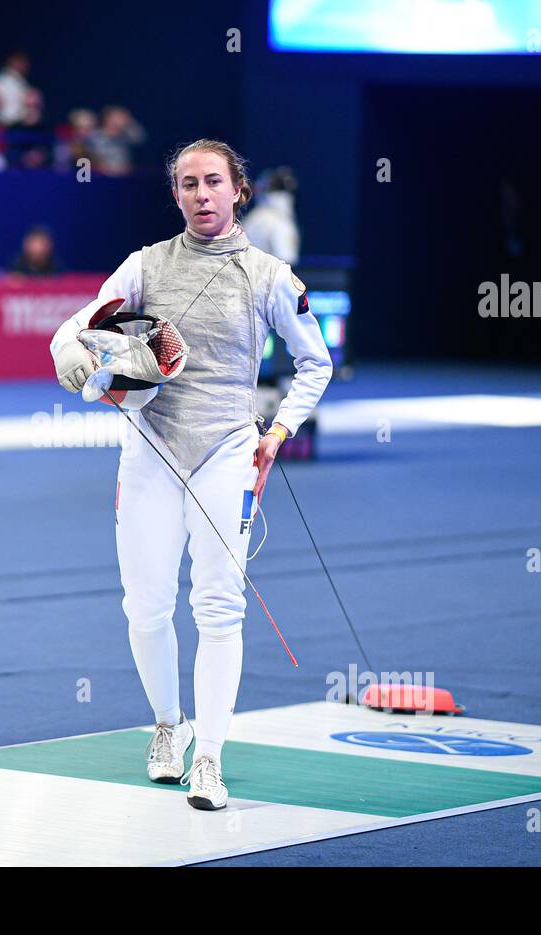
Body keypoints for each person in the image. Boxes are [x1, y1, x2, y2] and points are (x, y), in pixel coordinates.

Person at [49, 139, 332, 810]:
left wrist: (280, 431)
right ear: (174, 194)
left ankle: (209, 756)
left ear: (239, 190)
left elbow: (313, 362)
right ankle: (167, 728)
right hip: (150, 449)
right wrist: (79, 361)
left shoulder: (268, 274)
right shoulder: (144, 266)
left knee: (218, 607)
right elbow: (80, 328)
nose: (201, 194)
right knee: (145, 606)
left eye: (213, 181)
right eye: (187, 183)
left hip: (227, 450)